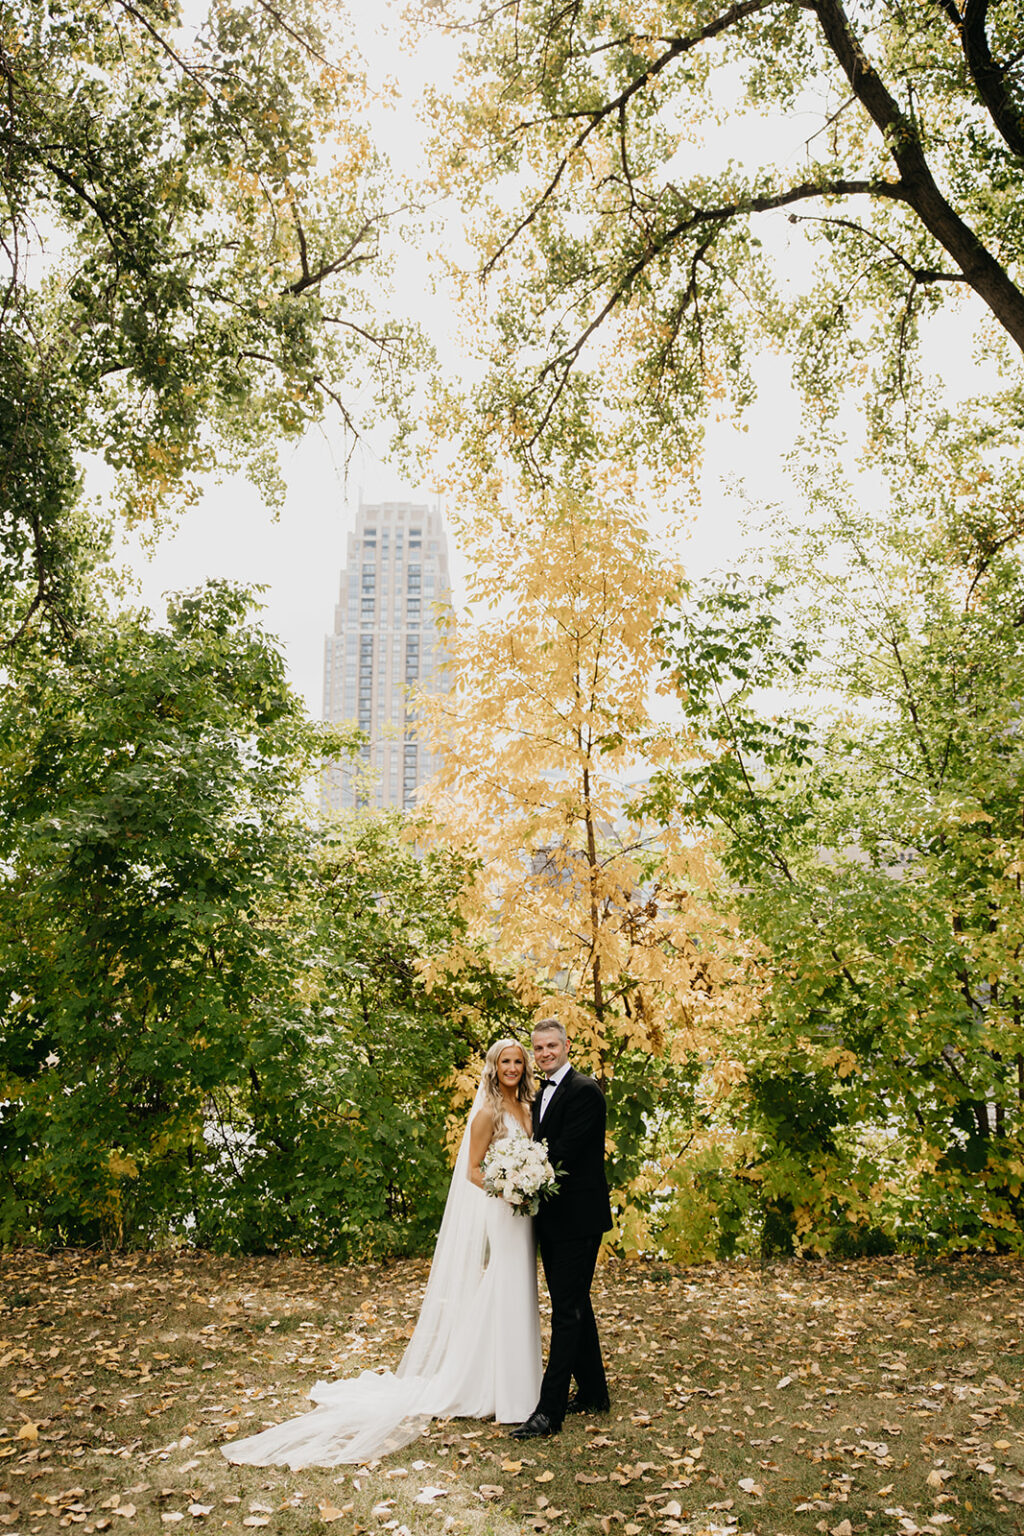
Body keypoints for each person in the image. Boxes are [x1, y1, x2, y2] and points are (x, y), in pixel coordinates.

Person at [221, 1039, 542, 1469]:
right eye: (506, 1061)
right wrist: (507, 1187)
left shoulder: (527, 1105)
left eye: (519, 1061)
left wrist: (528, 1182)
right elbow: (472, 1170)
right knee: (504, 1283)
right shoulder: (487, 1112)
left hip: (526, 1211)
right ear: (493, 1066)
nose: (513, 1067)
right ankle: (494, 1388)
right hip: (503, 1210)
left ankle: (519, 1384)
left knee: (519, 1287)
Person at [511, 1018, 612, 1439]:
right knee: (574, 1303)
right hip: (551, 1219)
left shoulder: (585, 1091)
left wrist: (522, 1173)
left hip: (578, 1219)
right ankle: (593, 1393)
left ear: (567, 1045)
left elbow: (562, 1153)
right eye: (539, 1048)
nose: (545, 1053)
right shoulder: (539, 1095)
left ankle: (548, 1412)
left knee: (566, 1312)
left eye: (552, 1046)